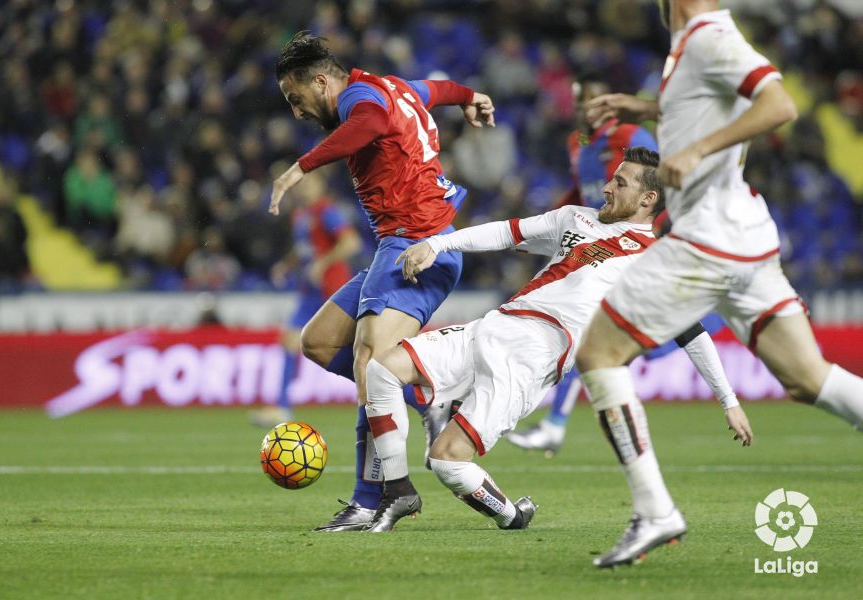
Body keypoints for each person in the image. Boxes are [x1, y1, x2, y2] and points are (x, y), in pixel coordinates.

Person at [575, 0, 863, 569]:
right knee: (807, 379)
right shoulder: (692, 46)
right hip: (744, 233)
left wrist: (701, 149)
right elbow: (703, 107)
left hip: (709, 235)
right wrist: (643, 107)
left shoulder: (708, 35)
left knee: (599, 352)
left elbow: (778, 105)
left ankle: (655, 512)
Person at [360, 148, 753, 532]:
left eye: (620, 182)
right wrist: (438, 243)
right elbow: (506, 231)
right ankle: (397, 490)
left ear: (648, 198)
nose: (607, 188)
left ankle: (511, 516)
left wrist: (729, 401)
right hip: (494, 324)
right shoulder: (574, 217)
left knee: (447, 462)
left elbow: (691, 331)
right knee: (381, 370)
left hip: (534, 355)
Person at [269, 32, 496, 531]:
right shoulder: (395, 86)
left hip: (416, 244)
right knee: (319, 341)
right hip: (400, 247)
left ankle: (377, 497)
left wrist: (299, 169)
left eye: (296, 98)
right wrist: (471, 96)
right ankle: (424, 392)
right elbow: (439, 89)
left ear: (323, 81)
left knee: (371, 364)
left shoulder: (360, 101)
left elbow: (368, 125)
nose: (296, 111)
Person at [506, 75, 731, 455]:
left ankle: (558, 425)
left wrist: (646, 241)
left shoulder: (632, 136)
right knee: (593, 338)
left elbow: (662, 187)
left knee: (604, 337)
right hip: (600, 244)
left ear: (609, 103)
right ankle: (562, 425)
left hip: (634, 247)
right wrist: (551, 223)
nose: (586, 110)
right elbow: (585, 194)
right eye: (580, 103)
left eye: (594, 101)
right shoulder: (577, 144)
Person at [251, 170, 361, 426]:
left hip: (332, 289)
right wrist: (287, 265)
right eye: (301, 183)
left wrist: (323, 264)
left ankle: (399, 390)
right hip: (309, 291)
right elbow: (306, 250)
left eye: (310, 182)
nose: (303, 187)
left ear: (321, 185)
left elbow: (351, 243)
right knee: (288, 341)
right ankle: (282, 407)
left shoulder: (326, 211)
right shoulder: (301, 215)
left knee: (358, 348)